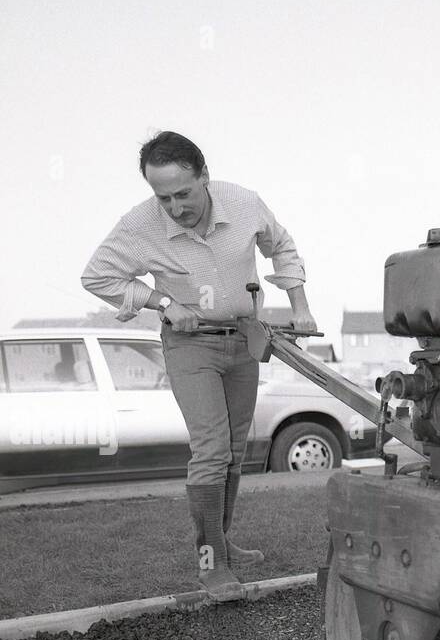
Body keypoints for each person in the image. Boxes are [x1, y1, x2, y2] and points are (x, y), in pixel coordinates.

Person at [81, 131, 318, 598]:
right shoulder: (139, 225)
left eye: (183, 193)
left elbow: (282, 246)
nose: (174, 206)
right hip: (190, 346)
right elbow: (96, 276)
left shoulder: (245, 204)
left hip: (244, 340)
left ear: (204, 177)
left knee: (232, 449)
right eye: (162, 197)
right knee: (211, 450)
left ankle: (223, 544)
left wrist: (300, 305)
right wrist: (161, 300)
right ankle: (210, 563)